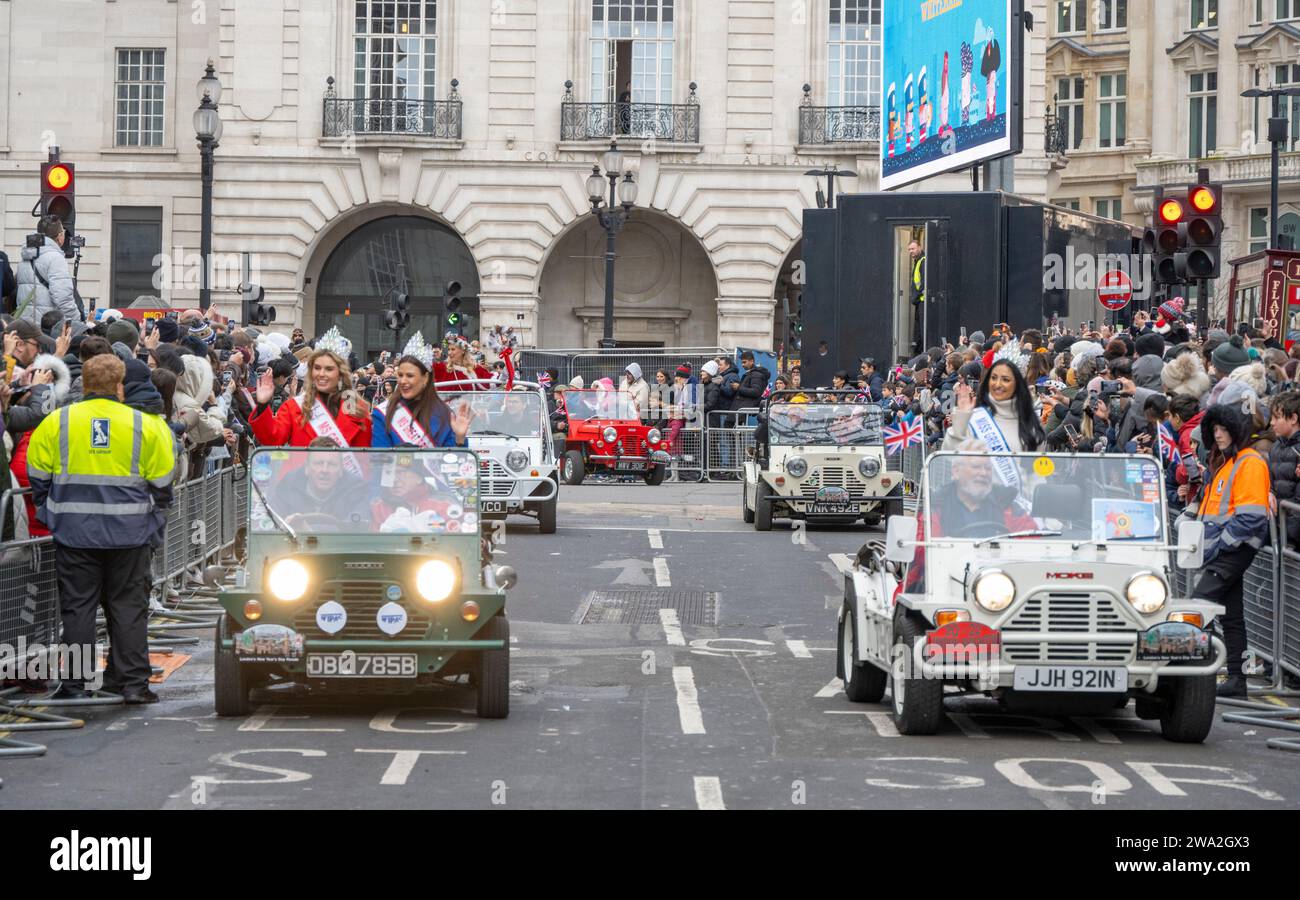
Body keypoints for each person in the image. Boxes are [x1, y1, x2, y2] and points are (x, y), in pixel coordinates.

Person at [26, 354, 176, 702]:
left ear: (86, 385)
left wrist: (52, 513)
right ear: (120, 385)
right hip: (131, 533)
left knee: (77, 609)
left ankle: (76, 685)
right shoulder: (146, 425)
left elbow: (38, 476)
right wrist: (154, 519)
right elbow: (164, 483)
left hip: (75, 533)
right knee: (128, 608)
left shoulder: (57, 422)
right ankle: (134, 685)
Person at [1191, 405, 1272, 698]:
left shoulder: (1249, 463)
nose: (1218, 435)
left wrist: (1219, 546)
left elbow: (1251, 516)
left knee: (1196, 609)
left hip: (1232, 550)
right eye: (1214, 430)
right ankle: (1236, 679)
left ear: (1236, 430)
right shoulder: (1231, 462)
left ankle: (1189, 675)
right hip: (1227, 549)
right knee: (1232, 615)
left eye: (1223, 429)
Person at [250, 328, 371, 448]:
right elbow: (272, 439)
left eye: (329, 369)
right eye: (317, 368)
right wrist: (263, 405)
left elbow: (362, 458)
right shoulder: (295, 407)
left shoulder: (357, 409)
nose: (321, 374)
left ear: (341, 373)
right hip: (303, 467)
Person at [371, 332, 473, 448]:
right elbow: (379, 458)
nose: (403, 381)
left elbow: (453, 461)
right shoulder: (384, 413)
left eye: (410, 376)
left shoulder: (444, 413)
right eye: (400, 375)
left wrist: (460, 438)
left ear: (425, 378)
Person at [944, 356, 1045, 453]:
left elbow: (1035, 465)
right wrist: (961, 419)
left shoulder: (1030, 422)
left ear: (1017, 384)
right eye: (994, 378)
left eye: (1005, 379)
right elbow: (949, 455)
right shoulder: (974, 417)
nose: (998, 384)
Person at [270, 436, 370, 528]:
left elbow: (357, 528)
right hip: (294, 546)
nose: (325, 470)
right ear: (307, 468)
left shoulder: (356, 491)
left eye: (332, 464)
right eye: (318, 463)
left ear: (341, 470)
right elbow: (271, 528)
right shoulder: (286, 489)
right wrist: (283, 526)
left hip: (339, 546)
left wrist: (308, 530)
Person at [14, 215, 79, 326]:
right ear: (59, 236)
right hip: (46, 327)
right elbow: (63, 299)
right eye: (63, 231)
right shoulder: (55, 258)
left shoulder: (25, 257)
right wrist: (77, 321)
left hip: (25, 327)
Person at [1267, 391, 1300, 549]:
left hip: (1292, 537)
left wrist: (1290, 538)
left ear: (1293, 419)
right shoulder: (1275, 447)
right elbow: (1271, 481)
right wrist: (1269, 492)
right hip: (1276, 528)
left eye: (1277, 417)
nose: (1272, 422)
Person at [908, 238, 925, 353]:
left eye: (913, 248)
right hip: (919, 302)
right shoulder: (918, 261)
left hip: (923, 302)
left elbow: (923, 283)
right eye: (909, 249)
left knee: (921, 330)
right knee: (918, 331)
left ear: (920, 247)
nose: (911, 251)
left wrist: (915, 297)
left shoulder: (923, 261)